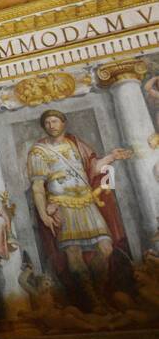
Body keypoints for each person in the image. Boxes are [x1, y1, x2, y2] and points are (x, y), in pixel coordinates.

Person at [27, 108, 133, 310]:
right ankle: (93, 301)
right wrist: (43, 214)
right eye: (47, 122)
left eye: (55, 121)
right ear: (44, 126)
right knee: (73, 253)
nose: (51, 125)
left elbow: (92, 169)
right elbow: (37, 186)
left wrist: (111, 157)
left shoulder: (76, 144)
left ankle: (100, 293)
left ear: (63, 123)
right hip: (62, 205)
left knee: (106, 248)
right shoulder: (38, 151)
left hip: (86, 202)